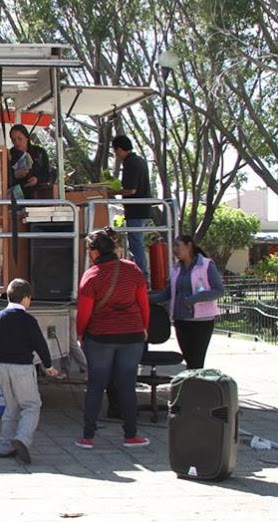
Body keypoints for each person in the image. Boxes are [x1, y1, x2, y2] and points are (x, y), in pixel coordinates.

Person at [75, 227, 150, 450]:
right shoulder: (133, 270)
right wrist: (144, 327)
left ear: (95, 251)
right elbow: (143, 304)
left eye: (89, 250)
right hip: (132, 334)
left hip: (100, 337)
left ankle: (88, 437)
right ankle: (131, 435)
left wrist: (81, 333)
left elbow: (84, 312)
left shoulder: (91, 276)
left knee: (96, 385)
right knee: (127, 385)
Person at [0, 278, 58, 464]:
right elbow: (40, 345)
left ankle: (4, 446)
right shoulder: (29, 320)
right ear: (26, 299)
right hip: (23, 369)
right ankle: (22, 438)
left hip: (3, 368)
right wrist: (48, 366)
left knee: (11, 407)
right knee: (31, 405)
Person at [149, 236, 225, 369]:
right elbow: (167, 294)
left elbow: (219, 291)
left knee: (196, 362)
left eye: (177, 246)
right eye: (174, 246)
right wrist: (145, 298)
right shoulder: (176, 268)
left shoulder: (206, 265)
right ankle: (190, 382)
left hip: (201, 322)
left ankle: (196, 382)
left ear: (189, 246)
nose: (175, 250)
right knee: (189, 360)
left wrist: (194, 299)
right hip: (181, 320)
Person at [111, 135, 153, 285]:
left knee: (136, 244)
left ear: (119, 149)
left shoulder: (131, 163)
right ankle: (139, 276)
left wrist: (113, 192)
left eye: (115, 151)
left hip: (136, 210)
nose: (116, 155)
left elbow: (131, 190)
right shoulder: (140, 160)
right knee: (136, 243)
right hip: (142, 209)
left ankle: (142, 278)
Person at [8, 124, 53, 198]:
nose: (17, 142)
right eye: (14, 140)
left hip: (38, 195)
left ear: (27, 137)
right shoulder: (9, 155)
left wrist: (37, 180)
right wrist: (14, 175)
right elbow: (3, 178)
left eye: (20, 138)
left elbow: (47, 174)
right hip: (17, 196)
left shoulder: (39, 152)